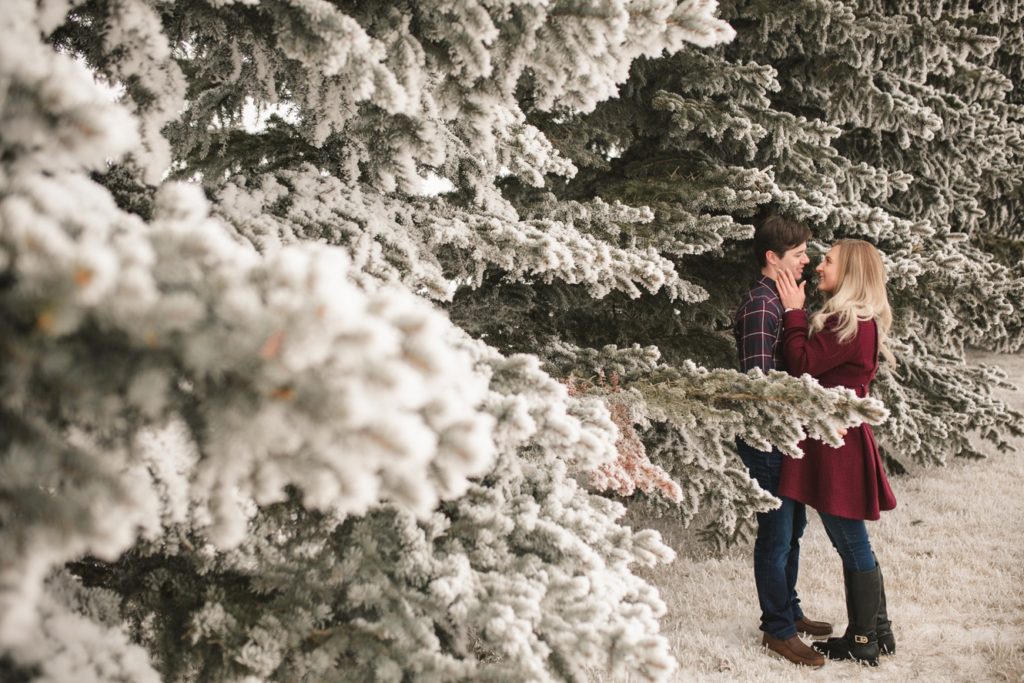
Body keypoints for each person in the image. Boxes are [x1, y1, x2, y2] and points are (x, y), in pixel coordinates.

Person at [775, 239, 898, 667]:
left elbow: (801, 365)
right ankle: (878, 631)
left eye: (828, 261)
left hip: (836, 446)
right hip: (838, 438)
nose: (819, 265)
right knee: (852, 540)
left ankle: (864, 638)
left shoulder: (848, 320)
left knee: (849, 540)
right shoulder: (857, 319)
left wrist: (792, 312)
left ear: (850, 274)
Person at [733, 215, 832, 668]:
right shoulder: (761, 306)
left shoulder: (783, 299)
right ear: (772, 258)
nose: (807, 261)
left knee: (793, 531)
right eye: (798, 254)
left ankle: (789, 611)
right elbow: (760, 384)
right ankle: (778, 630)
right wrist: (777, 435)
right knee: (775, 535)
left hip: (788, 435)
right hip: (767, 437)